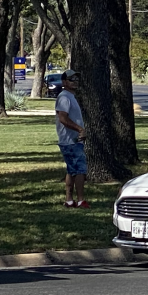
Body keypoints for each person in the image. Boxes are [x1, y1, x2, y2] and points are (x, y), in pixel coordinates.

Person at [56, 69, 89, 208]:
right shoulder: (64, 97)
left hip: (73, 140)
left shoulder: (70, 96)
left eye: (76, 79)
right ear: (64, 82)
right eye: (71, 80)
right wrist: (80, 129)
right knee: (80, 169)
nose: (75, 82)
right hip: (70, 141)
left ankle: (69, 200)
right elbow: (63, 118)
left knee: (72, 170)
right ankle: (81, 200)